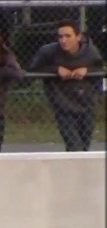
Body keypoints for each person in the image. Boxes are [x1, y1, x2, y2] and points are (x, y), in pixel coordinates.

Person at [27, 20, 104, 152]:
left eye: (68, 36)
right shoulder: (48, 52)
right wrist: (56, 69)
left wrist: (87, 70)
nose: (63, 40)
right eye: (60, 37)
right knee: (75, 146)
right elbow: (32, 70)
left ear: (79, 37)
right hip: (63, 106)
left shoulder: (91, 52)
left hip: (87, 105)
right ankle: (73, 170)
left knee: (84, 147)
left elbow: (100, 69)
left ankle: (78, 171)